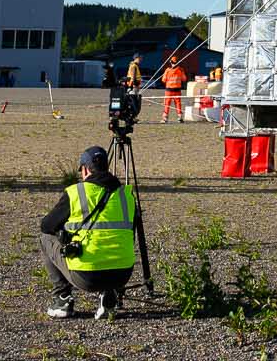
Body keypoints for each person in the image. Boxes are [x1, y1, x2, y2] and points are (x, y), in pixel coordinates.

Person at [39, 145, 137, 320]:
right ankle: (109, 294)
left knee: (45, 238)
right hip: (122, 274)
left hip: (86, 276)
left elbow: (46, 225)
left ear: (85, 169)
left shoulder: (76, 192)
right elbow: (131, 235)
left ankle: (62, 300)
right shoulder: (126, 195)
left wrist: (66, 234)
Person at [160, 56, 188, 123]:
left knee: (167, 104)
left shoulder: (167, 70)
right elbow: (184, 79)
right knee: (178, 104)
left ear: (171, 62)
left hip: (169, 90)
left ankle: (165, 118)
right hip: (177, 90)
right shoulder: (180, 70)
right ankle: (180, 117)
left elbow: (163, 80)